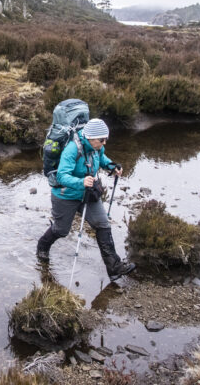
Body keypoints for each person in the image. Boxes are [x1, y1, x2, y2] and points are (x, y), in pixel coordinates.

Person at [36, 118, 136, 282]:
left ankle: (115, 267)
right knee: (62, 230)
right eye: (101, 140)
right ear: (90, 138)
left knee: (102, 224)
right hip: (65, 195)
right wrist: (80, 182)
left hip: (88, 194)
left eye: (106, 139)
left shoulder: (97, 148)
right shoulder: (72, 149)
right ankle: (42, 246)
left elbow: (102, 158)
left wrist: (112, 166)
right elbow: (62, 176)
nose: (104, 143)